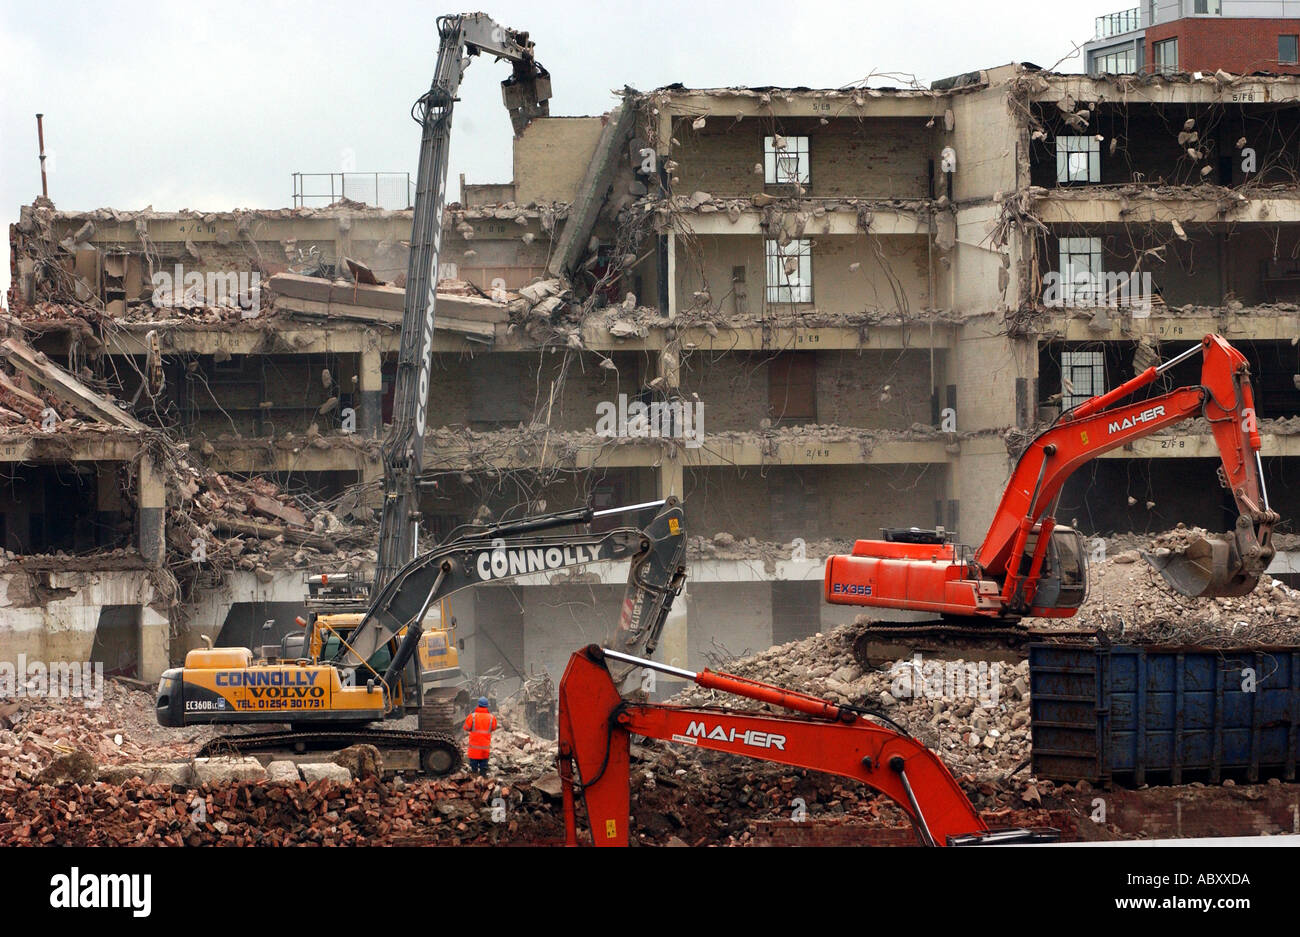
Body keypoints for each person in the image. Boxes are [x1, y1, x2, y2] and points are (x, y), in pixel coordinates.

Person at [463, 697, 498, 776]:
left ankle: (474, 777)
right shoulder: (491, 717)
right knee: (483, 767)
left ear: (478, 705)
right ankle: (483, 778)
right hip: (484, 748)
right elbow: (494, 728)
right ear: (487, 706)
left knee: (473, 768)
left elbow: (466, 728)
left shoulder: (472, 716)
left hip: (474, 748)